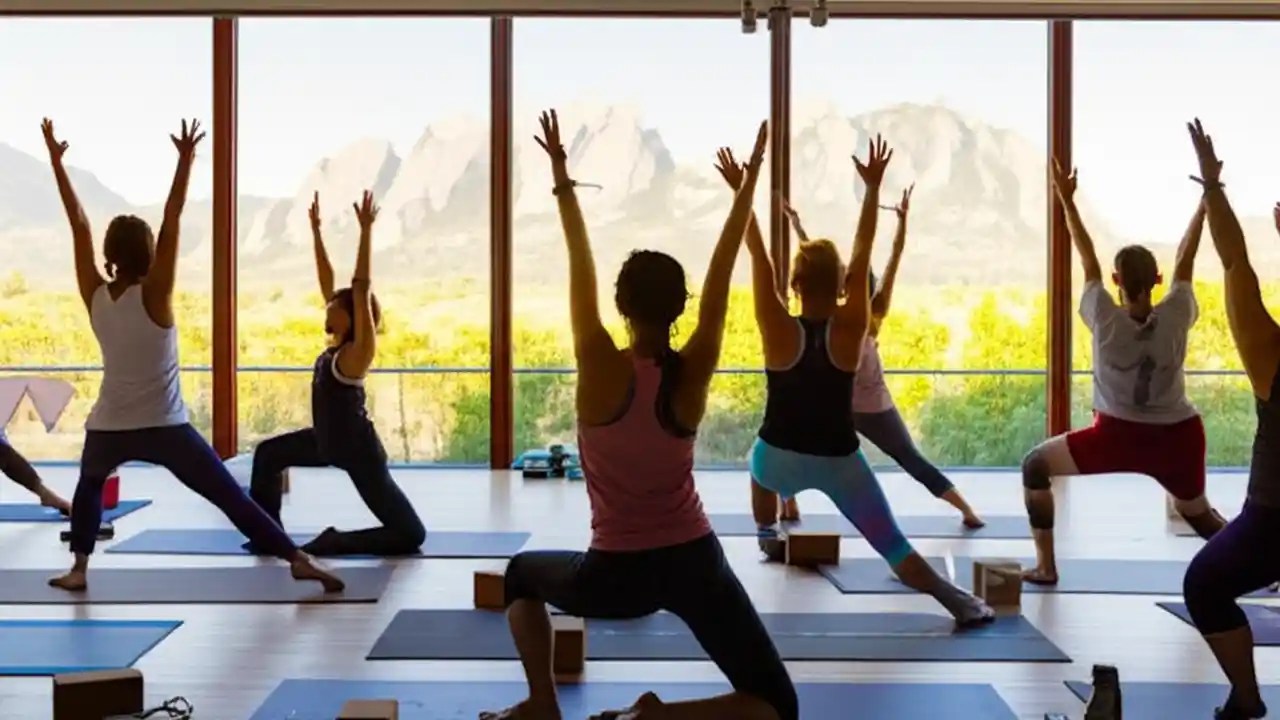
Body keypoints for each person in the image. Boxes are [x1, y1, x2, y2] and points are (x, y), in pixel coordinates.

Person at [480, 112, 796, 720]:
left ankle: (542, 703)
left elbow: (580, 261)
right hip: (695, 562)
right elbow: (724, 270)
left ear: (621, 306)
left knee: (519, 574)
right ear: (681, 307)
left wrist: (562, 176)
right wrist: (747, 185)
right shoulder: (693, 370)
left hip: (614, 575)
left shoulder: (598, 362)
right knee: (776, 707)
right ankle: (655, 718)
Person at [40, 118, 342, 593]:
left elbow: (77, 224)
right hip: (165, 424)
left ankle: (79, 569)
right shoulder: (156, 294)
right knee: (226, 495)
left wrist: (58, 165)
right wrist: (185, 161)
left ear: (110, 256)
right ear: (149, 255)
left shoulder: (95, 295)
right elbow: (173, 217)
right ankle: (296, 558)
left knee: (90, 484)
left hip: (110, 423)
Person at [736, 138, 993, 628]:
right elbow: (863, 249)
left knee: (757, 460)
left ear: (793, 286)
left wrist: (745, 190)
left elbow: (757, 255)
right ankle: (954, 599)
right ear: (843, 286)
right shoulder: (853, 326)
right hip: (839, 464)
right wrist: (872, 189)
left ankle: (766, 529)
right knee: (892, 543)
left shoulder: (776, 325)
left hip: (777, 461)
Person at [1019, 159, 1226, 586]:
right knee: (1198, 514)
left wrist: (1066, 199)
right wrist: (1207, 198)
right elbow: (1187, 256)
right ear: (1158, 278)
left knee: (1035, 466)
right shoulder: (1176, 312)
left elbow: (1087, 259)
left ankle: (1046, 567)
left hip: (1115, 436)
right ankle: (1262, 569)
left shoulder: (1104, 316)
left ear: (1116, 280)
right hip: (1179, 435)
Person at [772, 188, 985, 529]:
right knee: (791, 441)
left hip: (869, 407)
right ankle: (788, 502)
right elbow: (820, 267)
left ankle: (965, 508)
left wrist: (902, 223)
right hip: (843, 404)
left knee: (908, 458)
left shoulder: (868, 314)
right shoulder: (843, 317)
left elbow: (892, 258)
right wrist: (798, 228)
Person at [245, 191, 425, 557]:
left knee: (410, 534)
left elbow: (360, 287)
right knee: (267, 455)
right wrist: (316, 233)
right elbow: (328, 280)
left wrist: (365, 231)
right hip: (326, 442)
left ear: (355, 316)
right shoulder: (336, 345)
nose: (327, 306)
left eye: (335, 306)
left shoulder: (358, 353)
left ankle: (336, 541)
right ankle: (269, 536)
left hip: (359, 452)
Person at [1181, 118, 1280, 720]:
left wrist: (1214, 188)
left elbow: (1236, 261)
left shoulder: (1272, 359)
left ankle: (1246, 701)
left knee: (1206, 585)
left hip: (1273, 524)